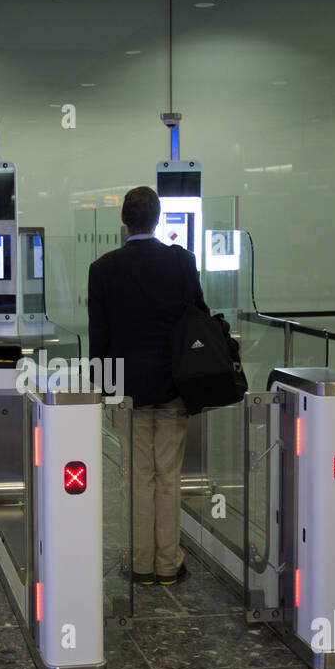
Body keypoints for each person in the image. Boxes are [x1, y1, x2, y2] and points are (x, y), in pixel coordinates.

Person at [88, 186, 209, 586]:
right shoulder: (182, 262)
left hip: (127, 391)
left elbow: (99, 337)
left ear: (123, 221)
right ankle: (168, 563)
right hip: (174, 387)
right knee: (168, 475)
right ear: (157, 221)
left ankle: (141, 565)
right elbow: (201, 320)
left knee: (138, 474)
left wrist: (104, 392)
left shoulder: (103, 268)